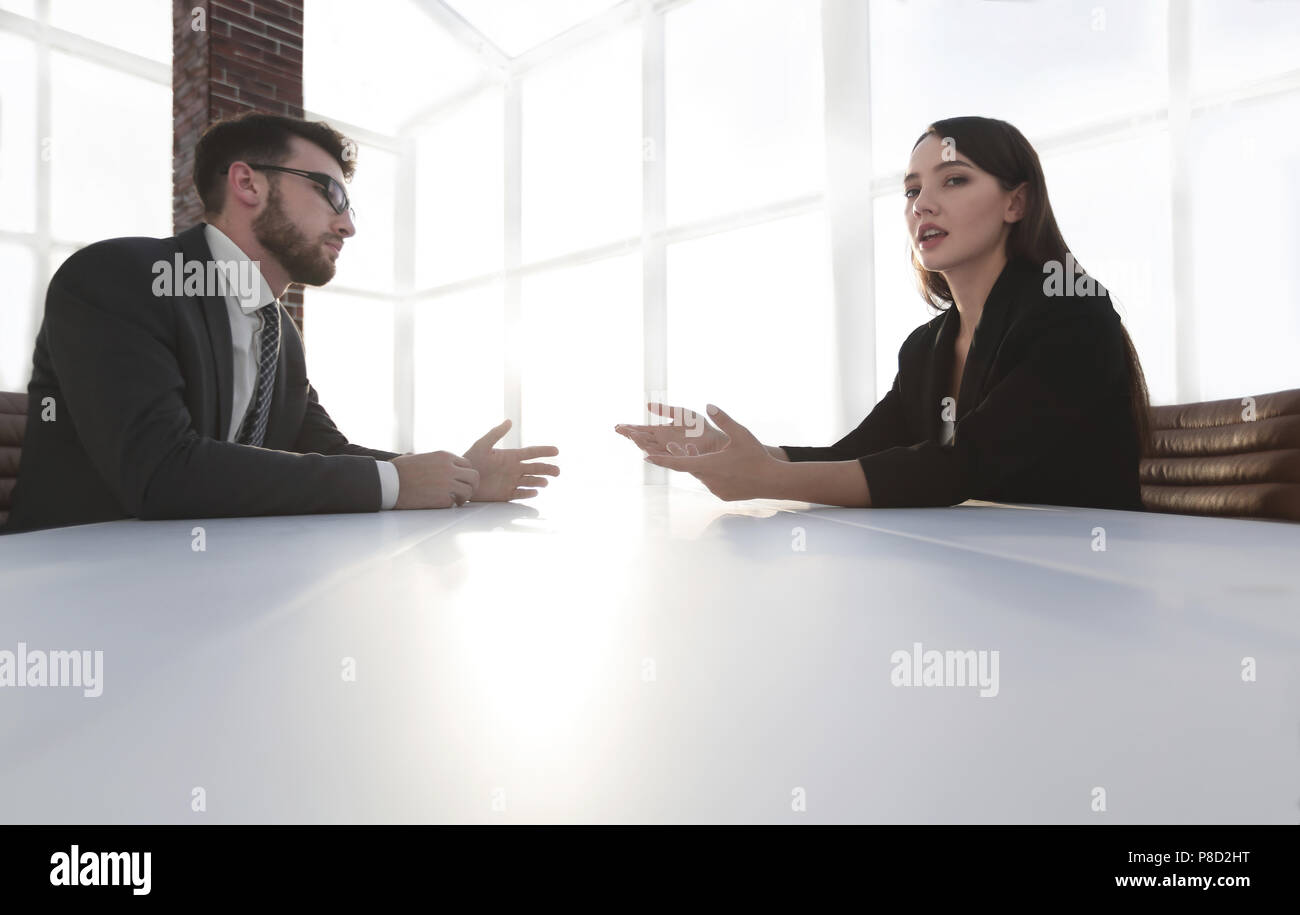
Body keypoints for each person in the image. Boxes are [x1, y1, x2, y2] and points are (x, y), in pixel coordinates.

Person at [2, 112, 558, 534]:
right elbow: (160, 473)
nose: (347, 225)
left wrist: (460, 478)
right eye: (331, 193)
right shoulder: (120, 276)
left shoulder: (277, 333)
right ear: (248, 185)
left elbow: (321, 449)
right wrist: (392, 483)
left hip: (213, 581)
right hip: (75, 587)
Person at [615, 116, 1150, 511]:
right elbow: (856, 455)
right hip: (990, 573)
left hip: (1084, 586)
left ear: (1017, 202)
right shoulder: (926, 346)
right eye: (912, 190)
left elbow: (959, 468)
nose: (922, 204)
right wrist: (746, 452)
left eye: (954, 180)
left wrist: (767, 480)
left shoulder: (1071, 310)